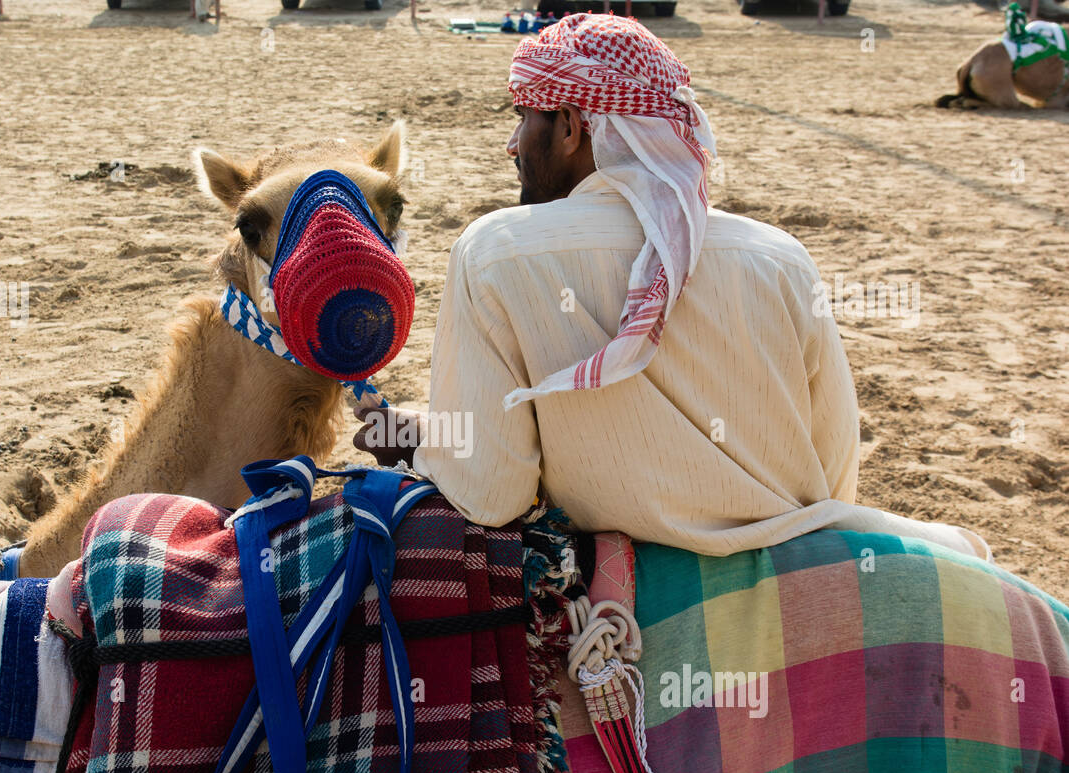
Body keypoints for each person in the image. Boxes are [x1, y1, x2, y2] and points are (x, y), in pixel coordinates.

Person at [356, 13, 988, 560]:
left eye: (524, 116)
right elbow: (834, 476)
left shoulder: (492, 253)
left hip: (629, 607)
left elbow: (492, 495)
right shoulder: (782, 258)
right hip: (797, 572)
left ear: (573, 127)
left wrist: (418, 443)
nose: (512, 146)